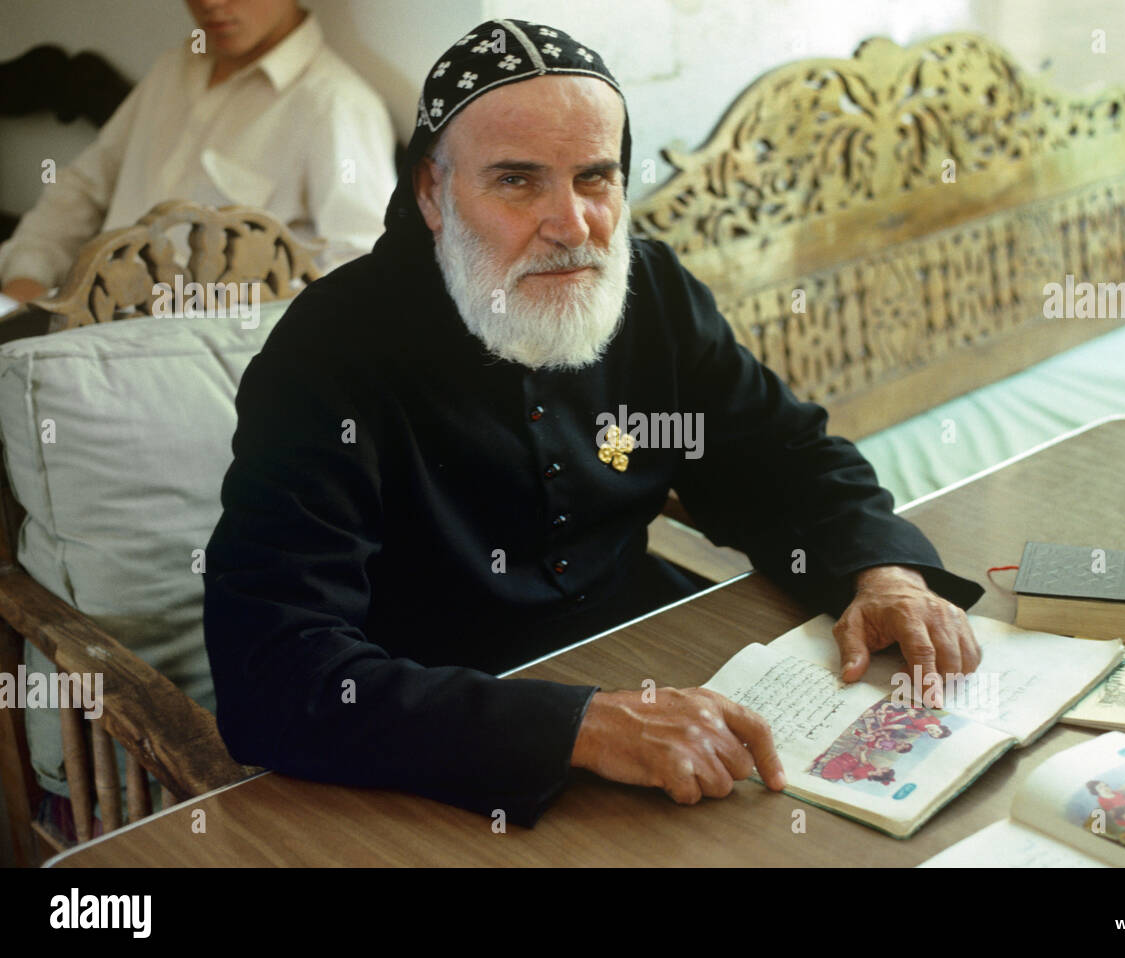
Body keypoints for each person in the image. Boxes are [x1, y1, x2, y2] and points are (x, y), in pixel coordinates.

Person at [203, 19, 985, 827]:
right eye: (517, 181)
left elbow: (781, 458)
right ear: (432, 193)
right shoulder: (328, 355)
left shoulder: (652, 289)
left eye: (595, 178)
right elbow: (275, 674)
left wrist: (881, 572)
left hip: (656, 665)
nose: (572, 224)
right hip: (436, 756)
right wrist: (576, 726)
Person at [0, 0, 395, 303]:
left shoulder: (336, 105)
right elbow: (83, 186)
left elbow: (360, 272)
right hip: (74, 328)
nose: (210, 3)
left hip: (193, 370)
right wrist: (26, 277)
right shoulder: (174, 68)